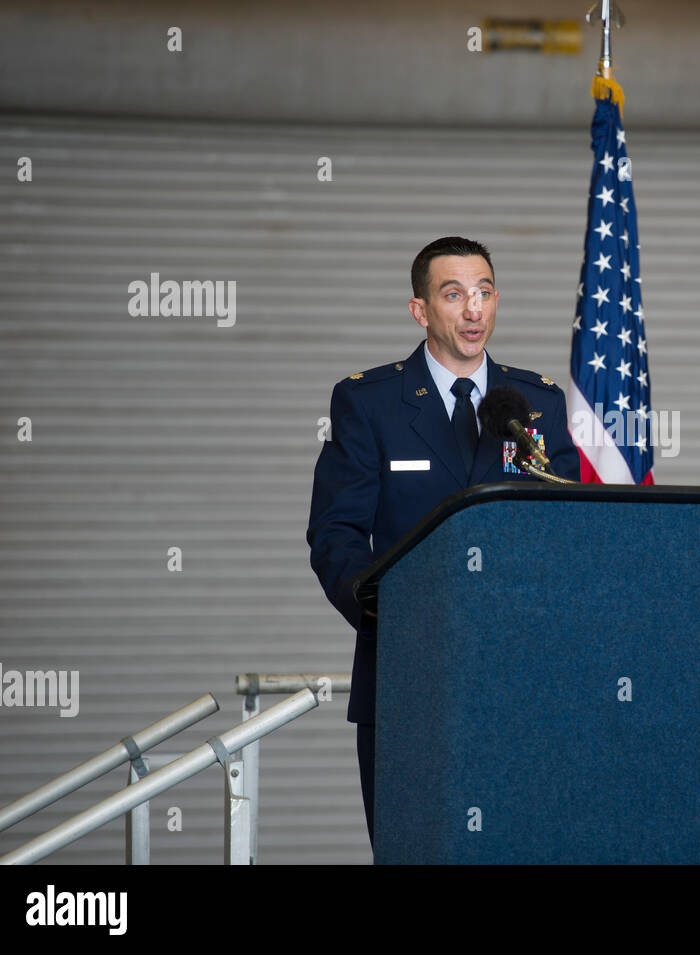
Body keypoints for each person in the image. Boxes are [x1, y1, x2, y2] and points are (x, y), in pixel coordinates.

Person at [305, 236, 579, 846]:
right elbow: (336, 532)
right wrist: (385, 608)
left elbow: (568, 528)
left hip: (523, 682)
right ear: (420, 310)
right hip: (409, 677)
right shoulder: (370, 402)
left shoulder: (535, 403)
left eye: (483, 292)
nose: (473, 309)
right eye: (453, 294)